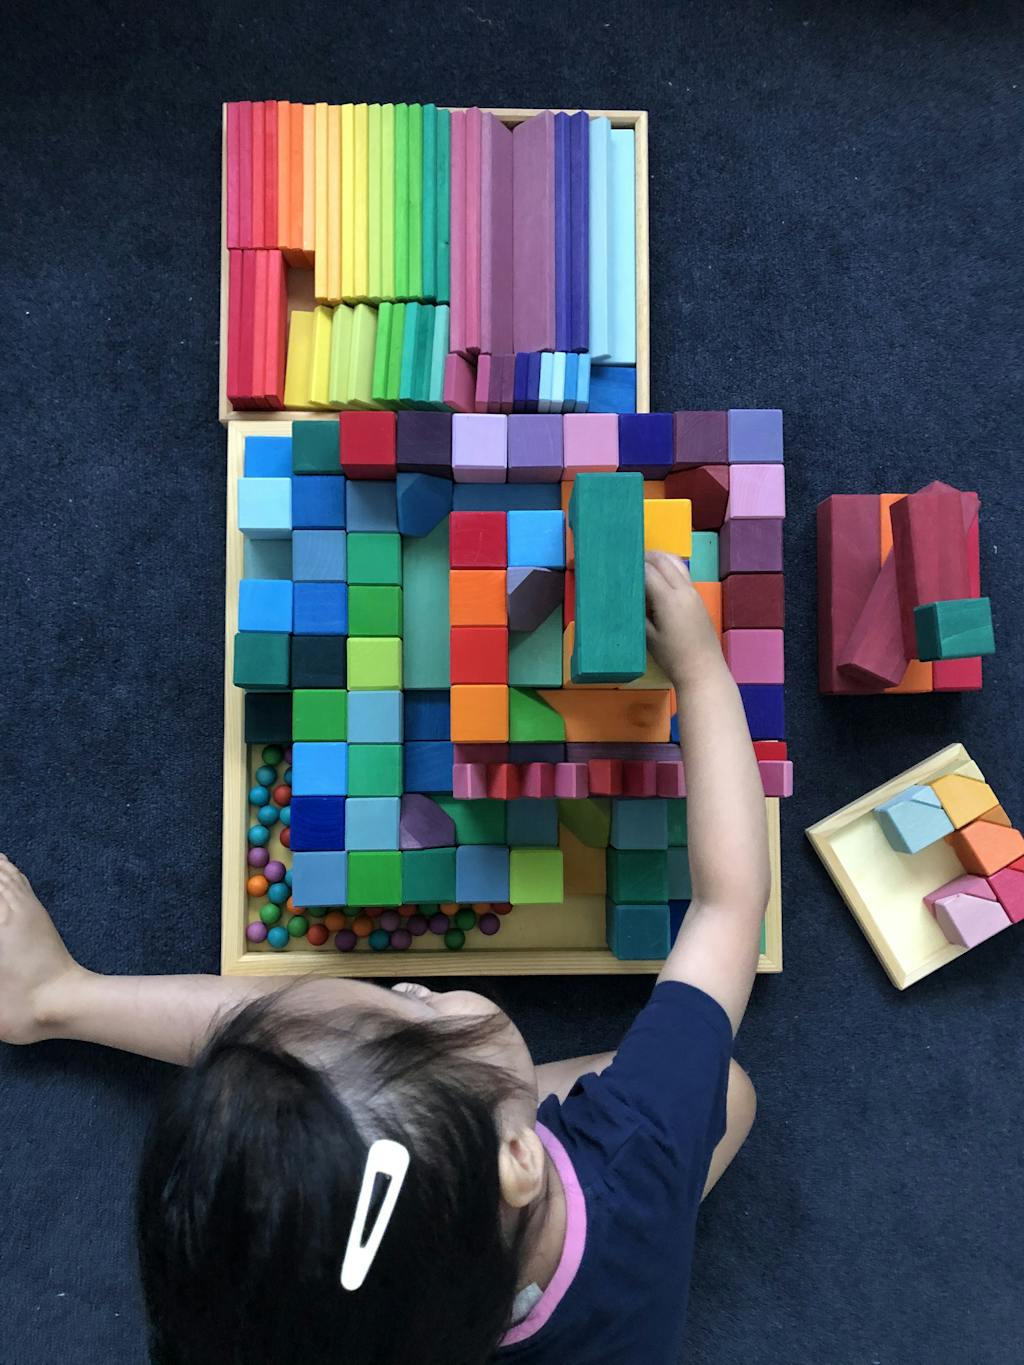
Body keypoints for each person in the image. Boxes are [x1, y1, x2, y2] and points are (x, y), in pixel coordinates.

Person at [0, 551, 769, 1365]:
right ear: (519, 1156)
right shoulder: (640, 1142)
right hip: (621, 1230)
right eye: (417, 1006)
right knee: (724, 1087)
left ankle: (55, 996)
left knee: (316, 1059)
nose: (411, 981)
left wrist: (432, 1074)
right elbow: (729, 904)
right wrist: (700, 667)